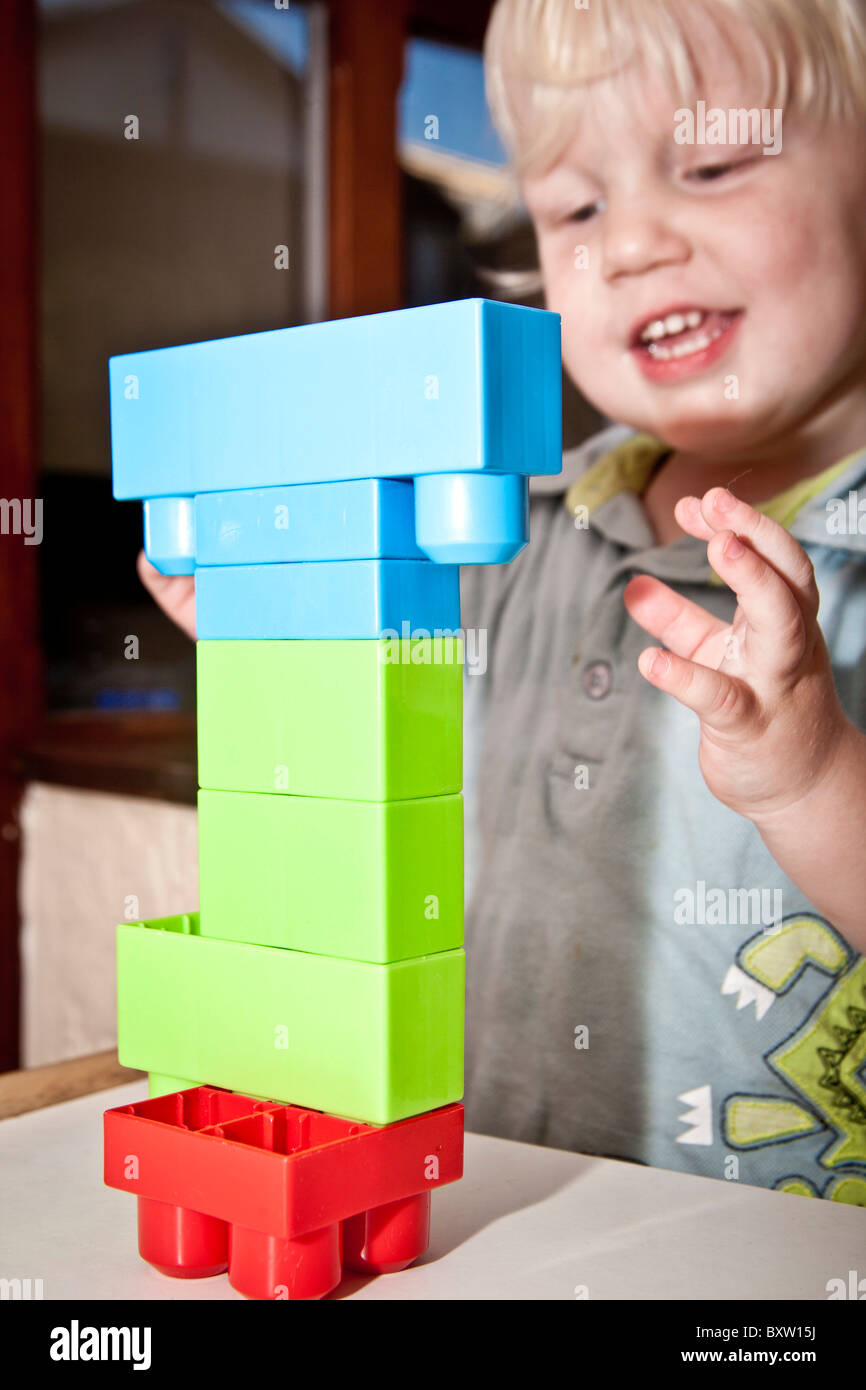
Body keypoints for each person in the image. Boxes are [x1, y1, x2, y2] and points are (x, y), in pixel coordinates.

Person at [139, 0, 866, 1205]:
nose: (629, 242)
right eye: (576, 206)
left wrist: (806, 774)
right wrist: (297, 633)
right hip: (499, 1216)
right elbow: (404, 760)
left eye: (710, 163)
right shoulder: (514, 531)